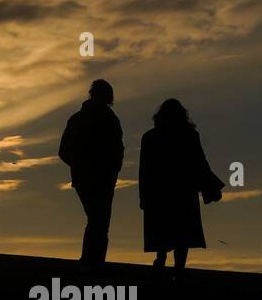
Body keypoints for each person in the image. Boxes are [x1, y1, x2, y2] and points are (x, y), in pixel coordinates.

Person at [137, 99, 225, 271]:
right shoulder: (189, 136)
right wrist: (212, 188)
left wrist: (143, 196)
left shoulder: (150, 137)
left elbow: (144, 170)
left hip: (159, 192)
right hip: (183, 192)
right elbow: (200, 164)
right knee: (182, 232)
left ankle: (161, 259)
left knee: (162, 227)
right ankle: (179, 267)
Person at [58, 79, 124, 265]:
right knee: (99, 220)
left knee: (97, 219)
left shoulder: (80, 119)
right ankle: (93, 261)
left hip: (92, 178)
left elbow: (64, 151)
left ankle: (91, 260)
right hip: (99, 177)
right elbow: (118, 150)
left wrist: (79, 167)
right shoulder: (109, 120)